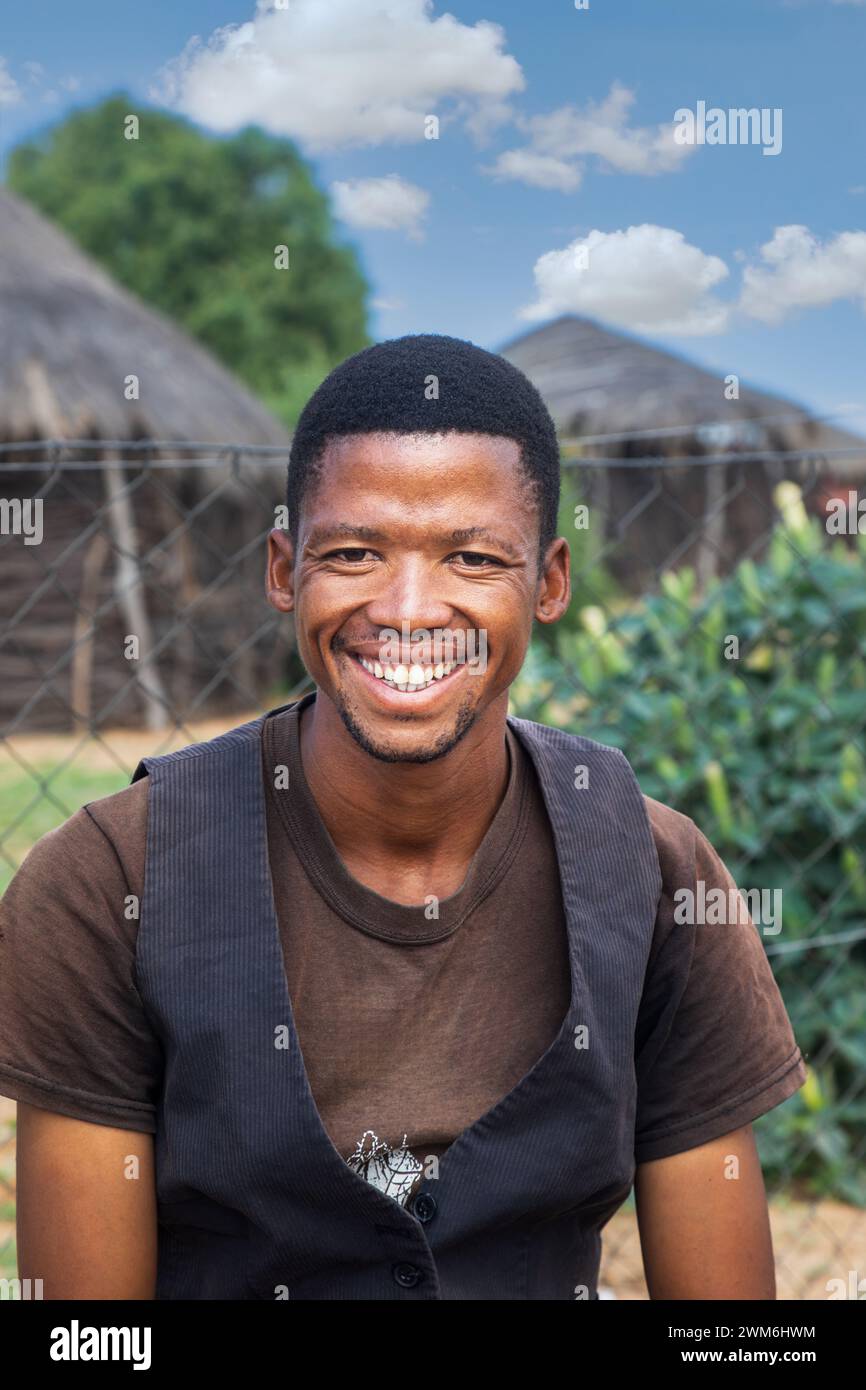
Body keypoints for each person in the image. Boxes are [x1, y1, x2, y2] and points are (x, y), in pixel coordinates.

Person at [0, 334, 806, 1300]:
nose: (410, 609)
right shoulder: (110, 883)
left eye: (472, 557)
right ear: (282, 570)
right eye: (352, 552)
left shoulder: (657, 873)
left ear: (548, 583)